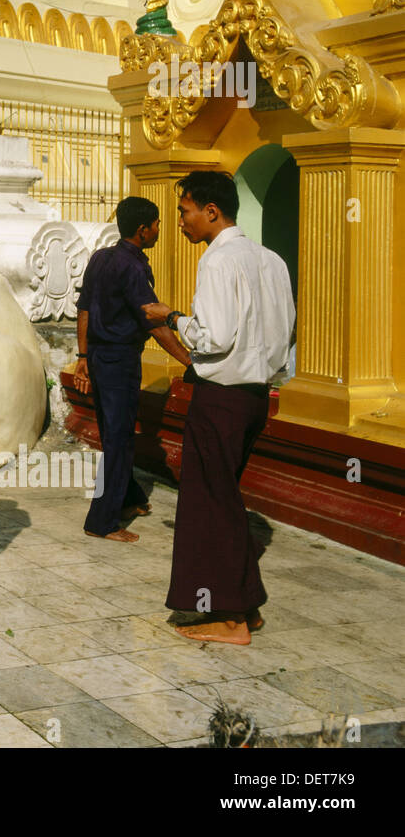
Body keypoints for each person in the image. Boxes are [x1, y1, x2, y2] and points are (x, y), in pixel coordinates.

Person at [143, 171, 296, 645]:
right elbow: (286, 336)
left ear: (211, 211)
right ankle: (243, 608)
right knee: (222, 498)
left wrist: (168, 316)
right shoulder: (272, 261)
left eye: (185, 211)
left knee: (211, 504)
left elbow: (213, 337)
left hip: (221, 398)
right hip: (255, 399)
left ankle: (229, 616)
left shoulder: (216, 261)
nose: (182, 222)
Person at [73, 196, 193, 543]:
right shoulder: (133, 267)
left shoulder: (101, 258)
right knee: (121, 438)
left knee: (115, 432)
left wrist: (82, 356)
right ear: (143, 230)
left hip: (97, 357)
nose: (159, 229)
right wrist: (188, 360)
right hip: (120, 361)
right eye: (156, 224)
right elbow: (154, 322)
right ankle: (103, 520)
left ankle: (131, 498)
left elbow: (84, 310)